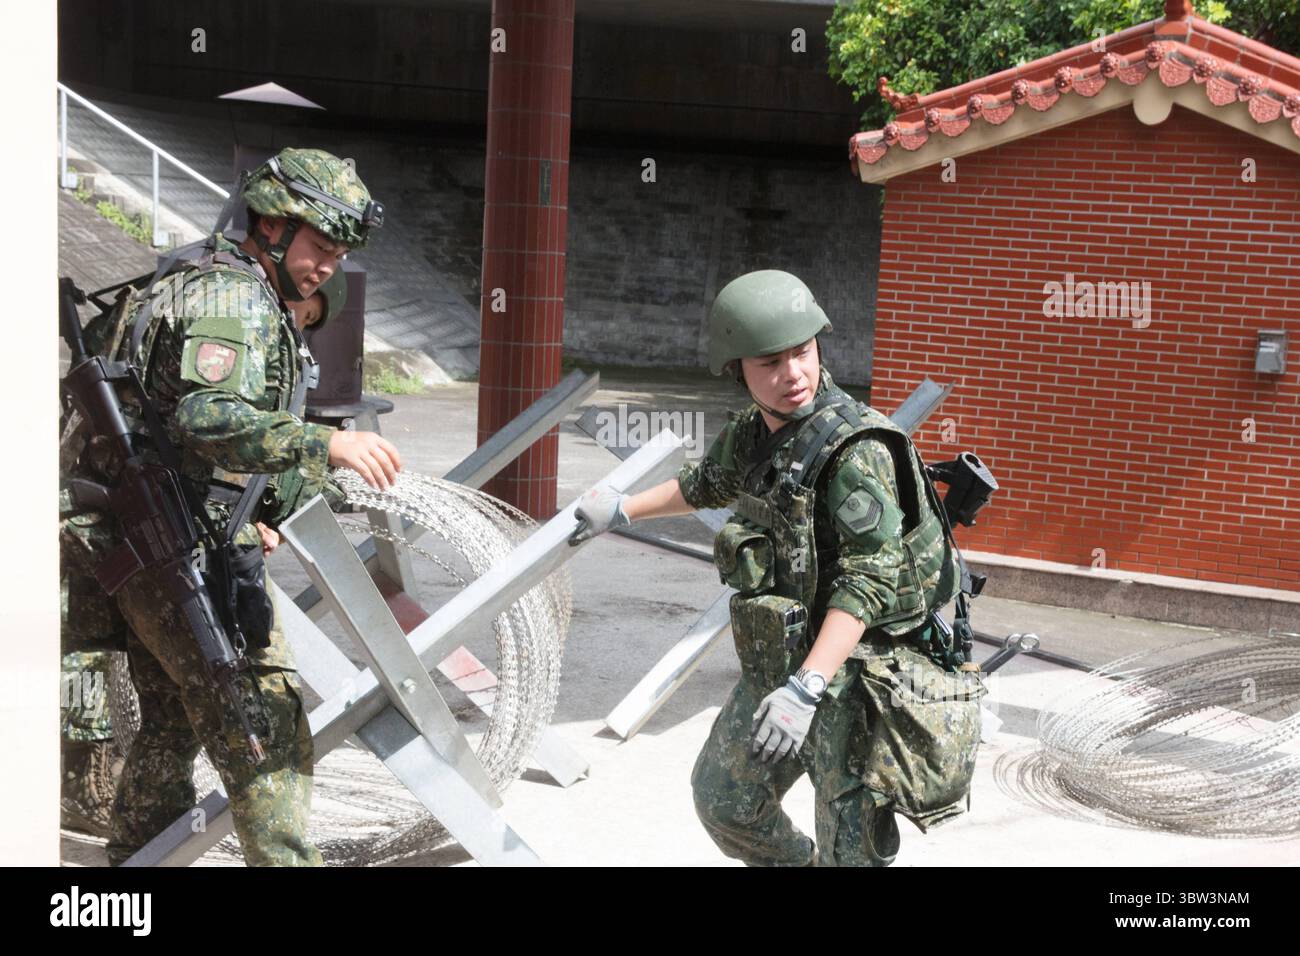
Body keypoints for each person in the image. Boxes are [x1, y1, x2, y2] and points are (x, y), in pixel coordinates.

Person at [569, 269, 982, 866]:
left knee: (852, 852)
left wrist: (807, 686)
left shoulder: (856, 451)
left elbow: (867, 582)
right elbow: (707, 483)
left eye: (803, 352)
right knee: (724, 800)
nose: (793, 374)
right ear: (738, 370)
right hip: (787, 662)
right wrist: (622, 510)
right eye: (770, 362)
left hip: (859, 675)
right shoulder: (755, 431)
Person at [59, 147, 400, 866]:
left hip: (156, 534)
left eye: (340, 253)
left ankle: (137, 858)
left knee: (174, 719)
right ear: (273, 226)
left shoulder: (200, 281)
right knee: (261, 724)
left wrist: (255, 504)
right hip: (174, 544)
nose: (329, 266)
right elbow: (204, 415)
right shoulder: (232, 298)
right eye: (321, 247)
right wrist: (323, 445)